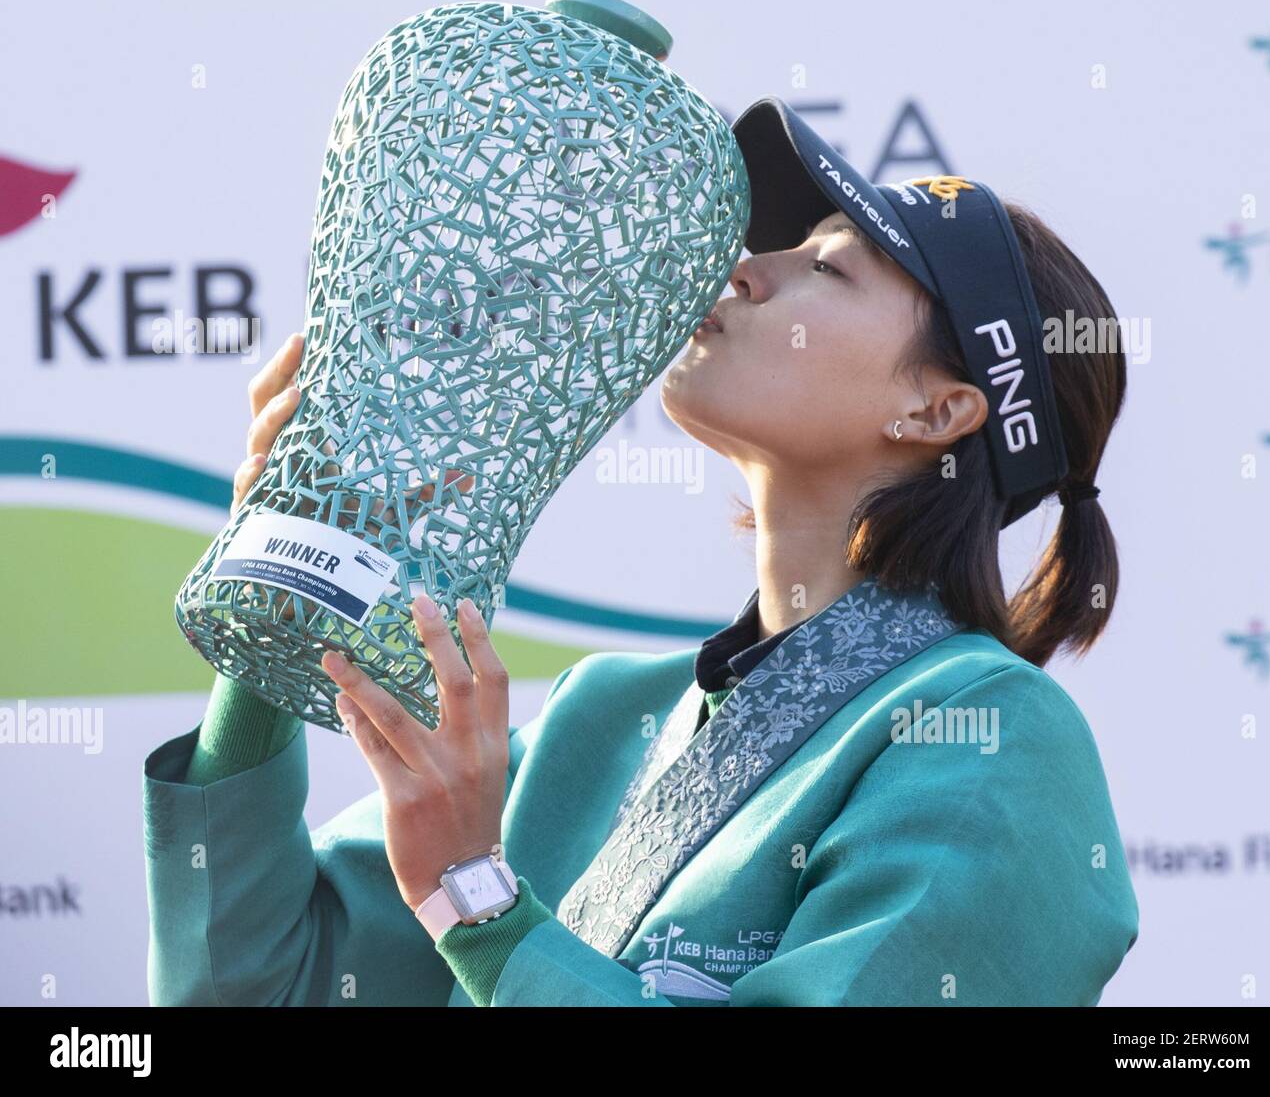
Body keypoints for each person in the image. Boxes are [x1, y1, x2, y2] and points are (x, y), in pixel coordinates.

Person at [143, 96, 1138, 1007]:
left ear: (939, 408)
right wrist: (295, 558)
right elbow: (246, 988)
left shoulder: (990, 737)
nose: (744, 267)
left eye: (825, 266)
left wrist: (479, 904)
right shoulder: (605, 716)